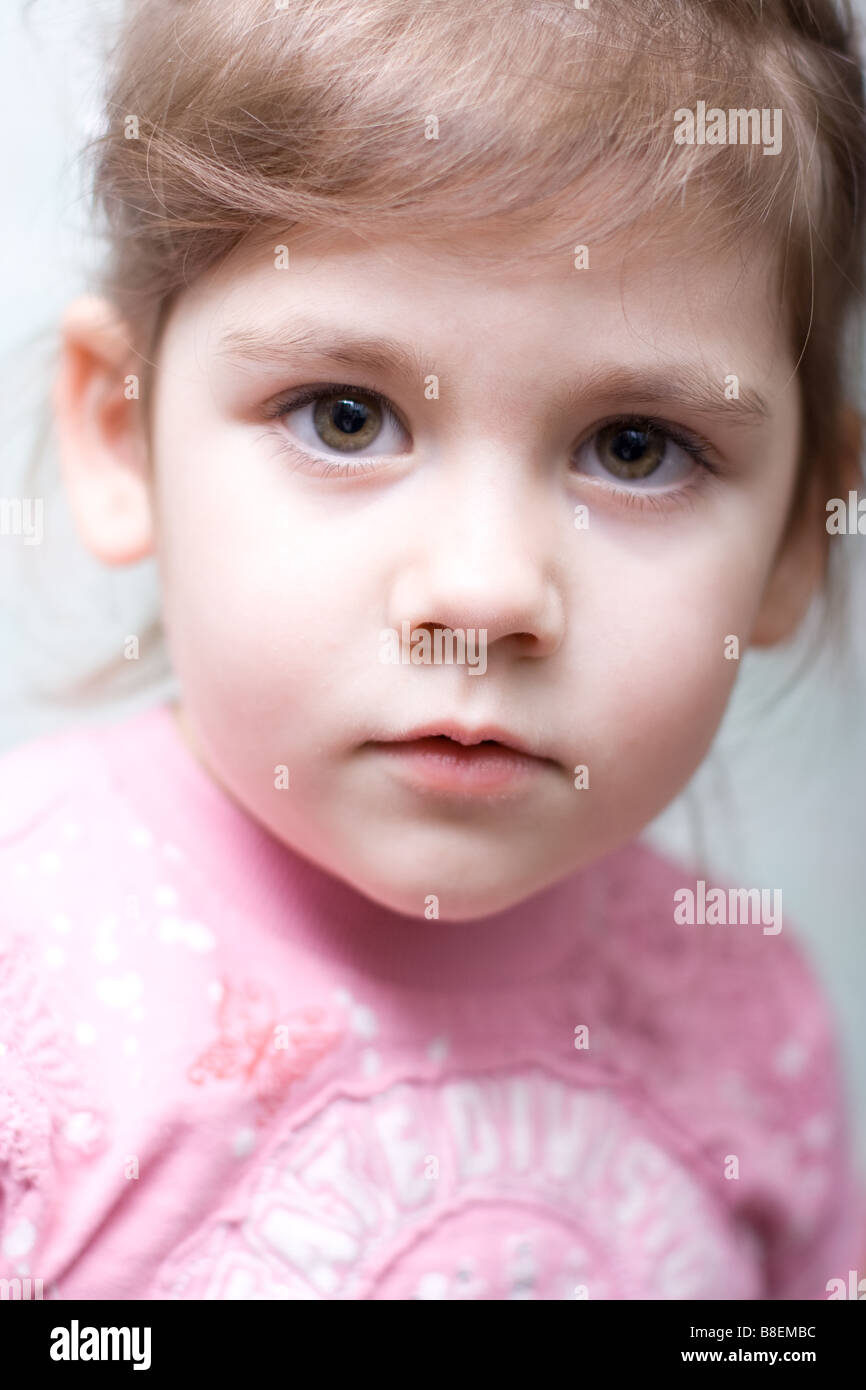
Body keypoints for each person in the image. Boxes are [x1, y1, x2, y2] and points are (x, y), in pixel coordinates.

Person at [1, 0, 864, 1299]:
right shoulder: (28, 965)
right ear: (122, 433)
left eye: (634, 446)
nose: (484, 588)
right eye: (346, 417)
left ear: (802, 530)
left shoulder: (747, 1011)